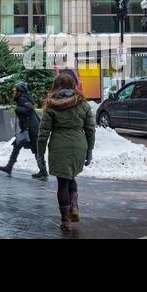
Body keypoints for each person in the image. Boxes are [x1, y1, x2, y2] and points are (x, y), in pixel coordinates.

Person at [36, 70, 96, 233]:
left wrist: (39, 154)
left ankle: (65, 221)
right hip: (78, 144)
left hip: (59, 145)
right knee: (72, 176)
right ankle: (74, 206)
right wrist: (89, 150)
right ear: (74, 85)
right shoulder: (83, 104)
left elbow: (43, 133)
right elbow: (90, 129)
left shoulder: (51, 105)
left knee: (63, 182)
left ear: (57, 85)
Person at [0, 81, 47, 179]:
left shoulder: (22, 98)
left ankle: (43, 172)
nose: (13, 91)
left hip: (31, 129)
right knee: (17, 145)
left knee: (36, 150)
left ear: (19, 90)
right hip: (28, 128)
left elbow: (29, 110)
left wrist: (17, 108)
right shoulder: (22, 98)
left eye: (15, 90)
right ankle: (9, 167)